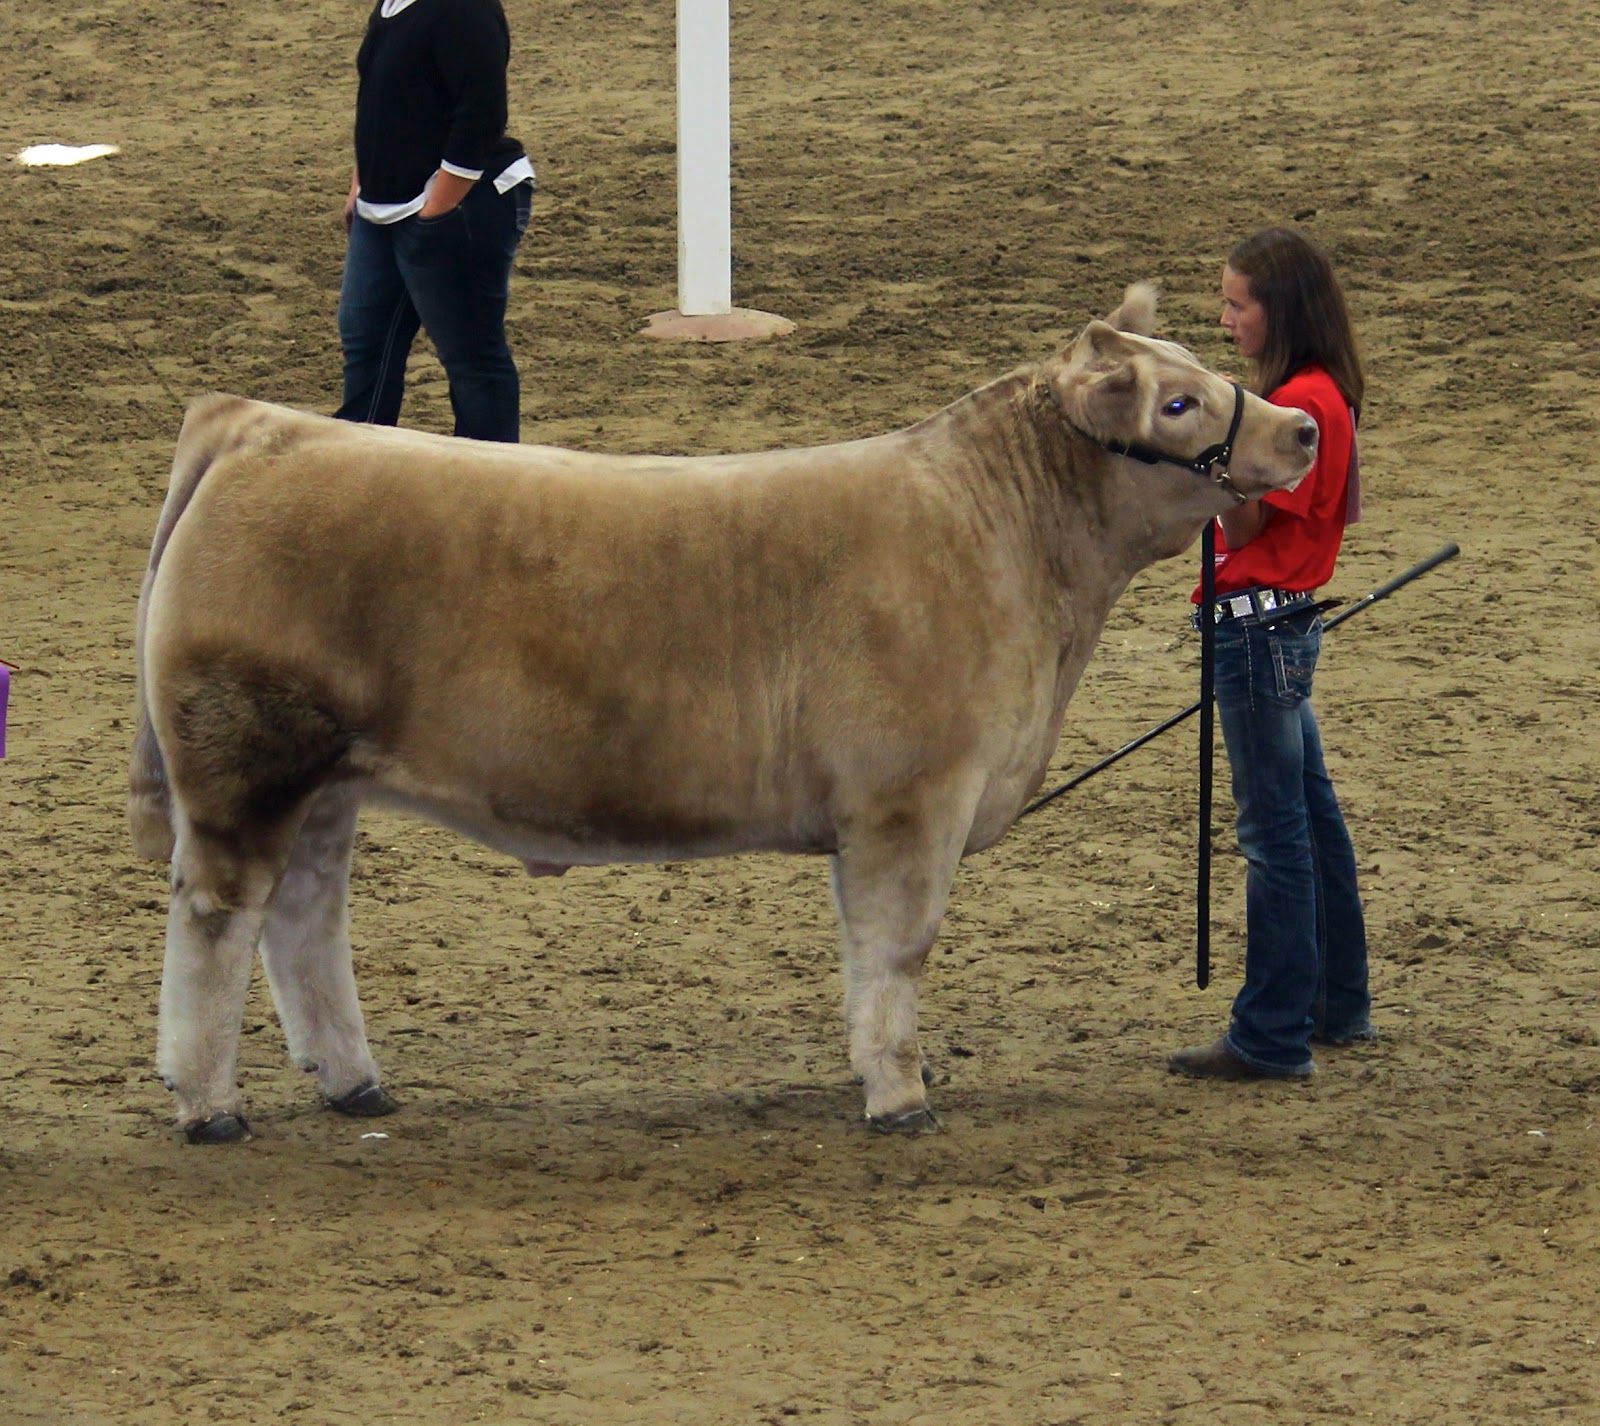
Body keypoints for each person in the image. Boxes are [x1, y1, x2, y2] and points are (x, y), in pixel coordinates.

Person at [1168, 226, 1374, 1081]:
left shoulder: (1298, 405)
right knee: (1309, 819)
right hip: (1282, 624)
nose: (1226, 320)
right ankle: (1335, 1003)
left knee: (1275, 833)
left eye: (1237, 304)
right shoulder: (1322, 394)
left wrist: (1211, 458)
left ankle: (1271, 1034)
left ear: (1278, 310)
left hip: (1256, 631)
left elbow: (1251, 524)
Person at [335, 0, 535, 443]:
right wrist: (362, 183)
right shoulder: (394, 5)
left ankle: (488, 479)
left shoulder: (463, 8)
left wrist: (437, 210)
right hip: (383, 208)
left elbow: (481, 113)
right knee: (365, 343)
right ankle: (360, 470)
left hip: (457, 206)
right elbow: (382, 102)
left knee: (470, 357)